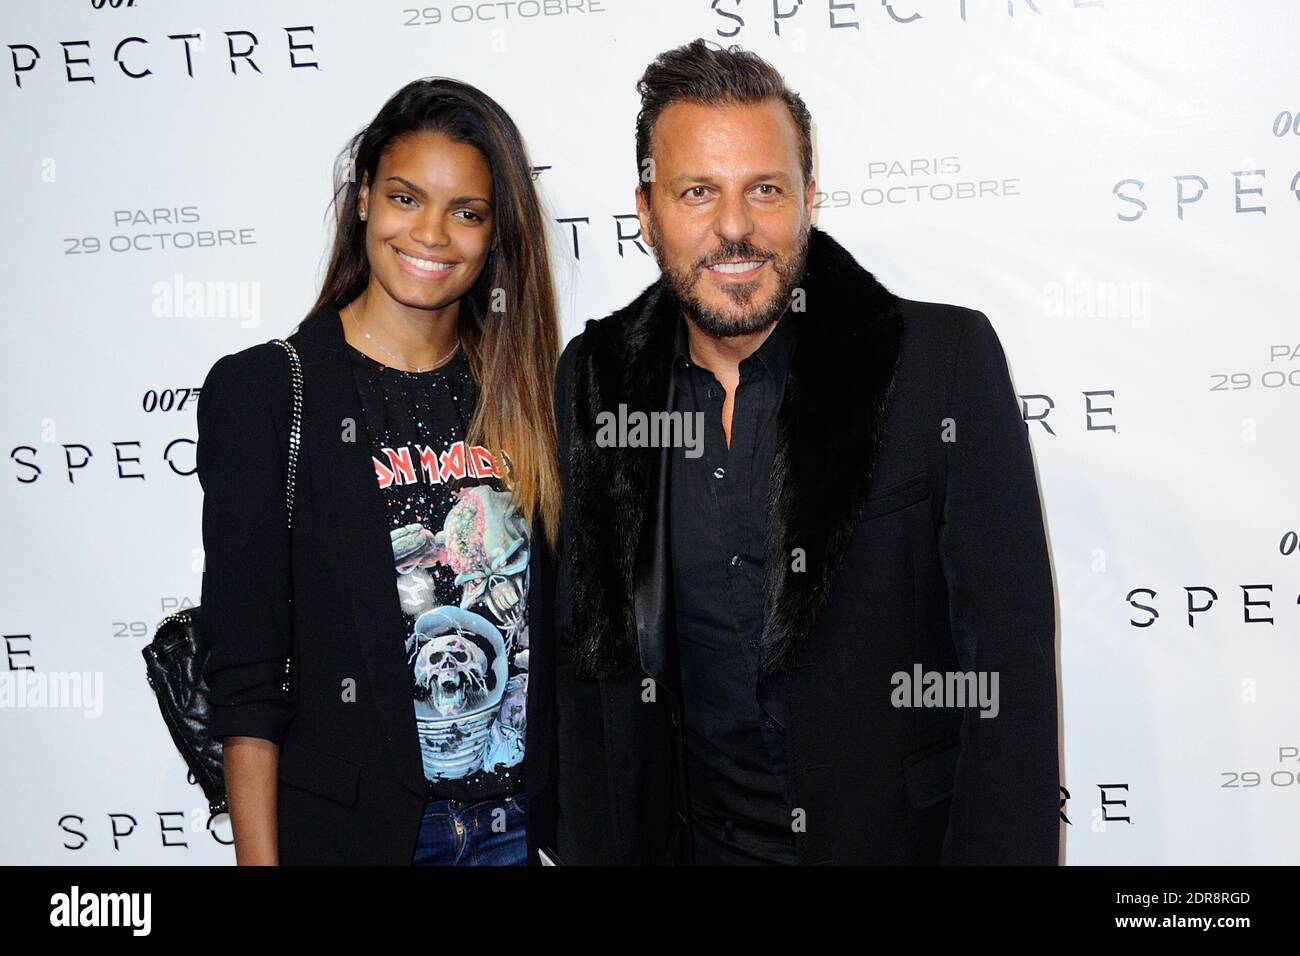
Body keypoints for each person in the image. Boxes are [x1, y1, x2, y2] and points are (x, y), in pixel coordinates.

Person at [527, 40, 1060, 865]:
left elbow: (1009, 671)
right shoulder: (595, 380)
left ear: (809, 196)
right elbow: (579, 656)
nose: (734, 228)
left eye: (764, 190)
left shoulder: (937, 363)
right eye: (697, 192)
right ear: (645, 208)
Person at [196, 77, 560, 865]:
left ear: (495, 234)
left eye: (466, 212)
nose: (432, 233)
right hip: (359, 840)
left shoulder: (532, 397)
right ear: (363, 197)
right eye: (405, 198)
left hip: (518, 836)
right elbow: (249, 683)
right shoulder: (266, 392)